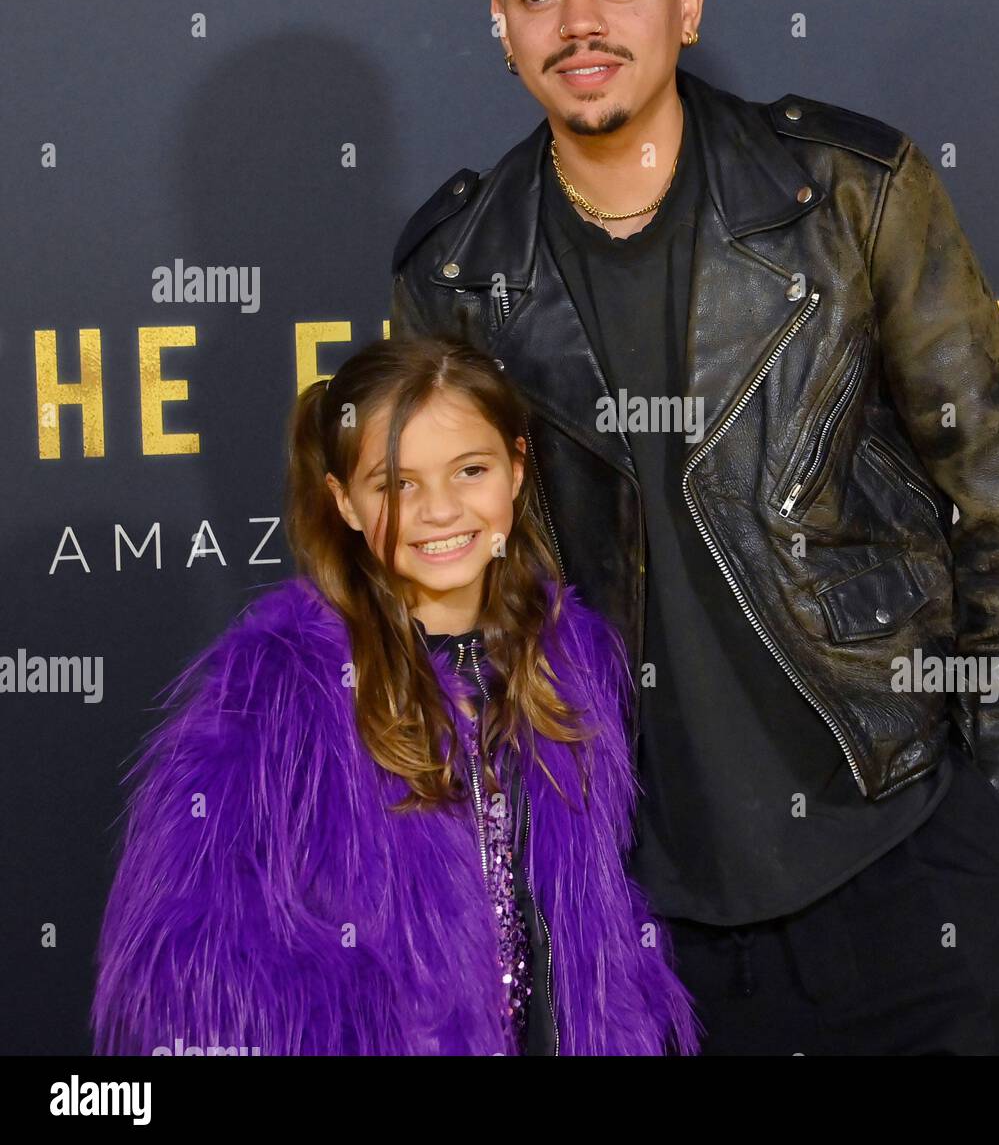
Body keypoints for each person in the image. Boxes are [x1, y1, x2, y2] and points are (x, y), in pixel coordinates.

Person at [390, 0, 999, 1054]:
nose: (581, 25)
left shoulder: (849, 193)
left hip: (904, 851)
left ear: (686, 1)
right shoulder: (455, 271)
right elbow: (456, 590)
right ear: (500, 25)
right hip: (647, 912)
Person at [91, 335, 700, 1056]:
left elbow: (599, 919)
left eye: (468, 470)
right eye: (396, 484)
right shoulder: (280, 683)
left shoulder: (575, 659)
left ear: (514, 467)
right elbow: (186, 953)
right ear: (345, 502)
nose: (438, 510)